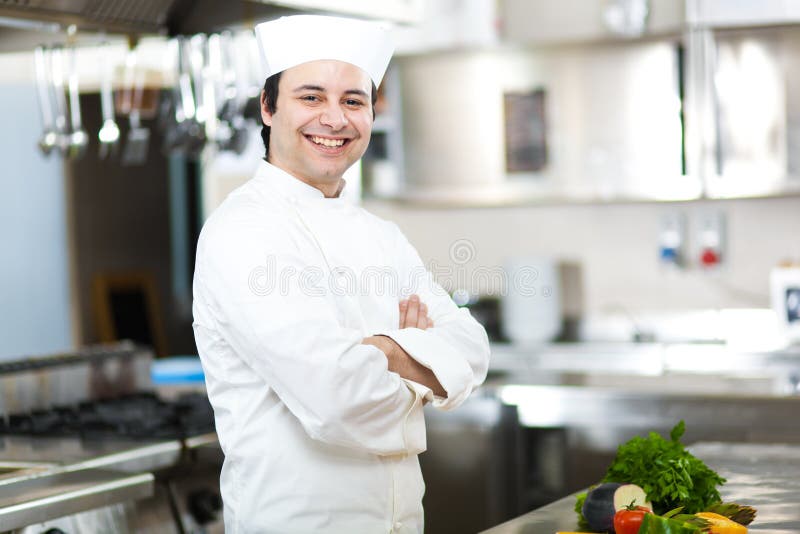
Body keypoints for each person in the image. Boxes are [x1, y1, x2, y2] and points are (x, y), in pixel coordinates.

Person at [192, 14, 490, 534]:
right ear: (268, 107)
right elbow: (339, 399)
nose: (334, 119)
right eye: (311, 97)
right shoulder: (241, 233)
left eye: (353, 101)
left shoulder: (382, 236)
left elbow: (473, 348)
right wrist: (420, 359)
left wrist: (382, 353)